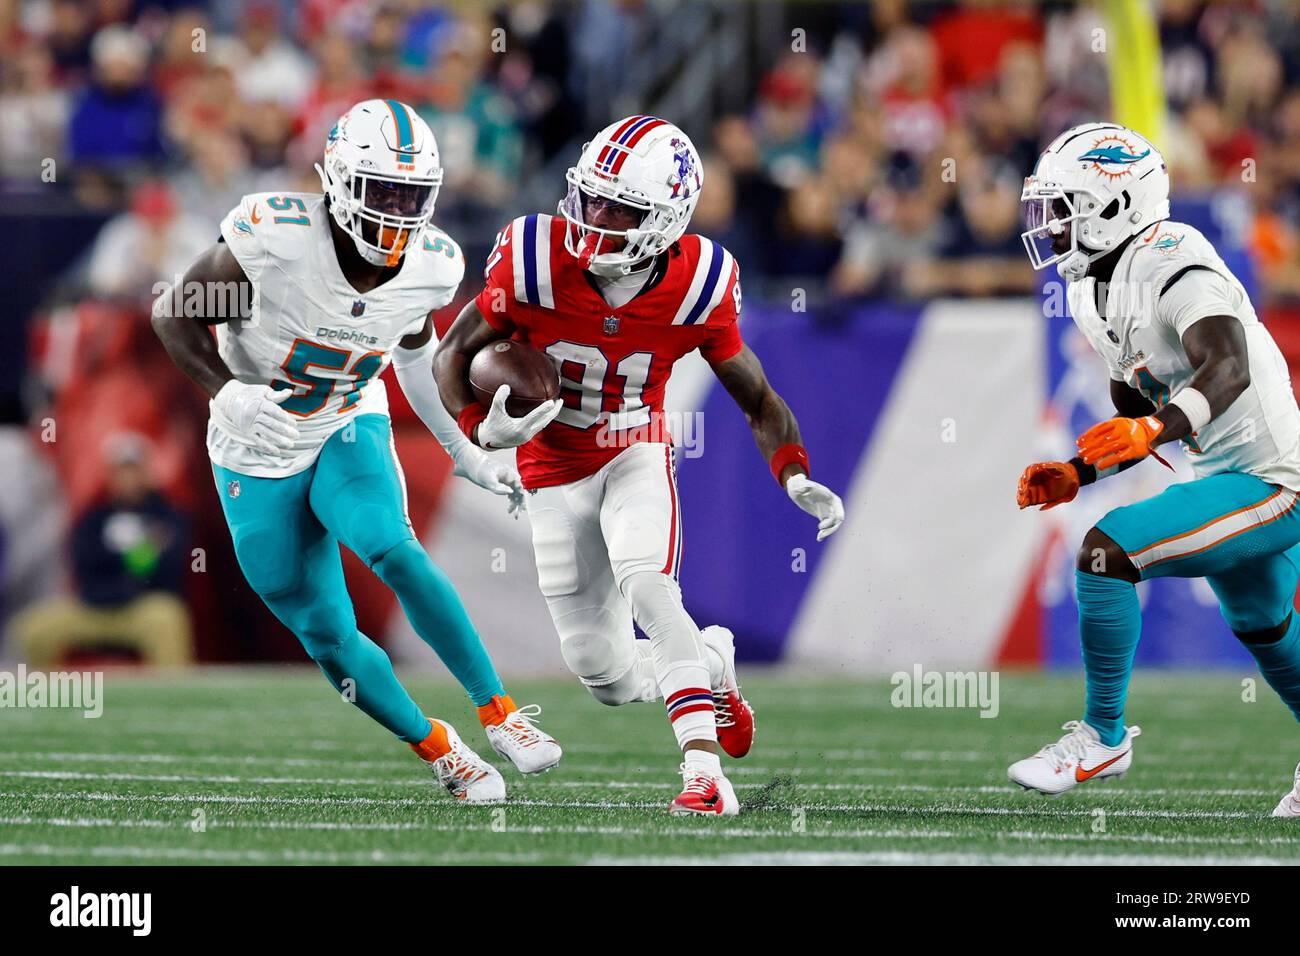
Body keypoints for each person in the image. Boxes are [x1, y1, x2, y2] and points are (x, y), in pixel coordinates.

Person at [151, 99, 560, 804]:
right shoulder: (272, 238)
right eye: (385, 192)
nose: (399, 213)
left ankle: (500, 713)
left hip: (346, 416)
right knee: (328, 637)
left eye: (413, 196)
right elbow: (172, 313)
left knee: (391, 547)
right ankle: (438, 747)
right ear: (338, 182)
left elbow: (412, 357)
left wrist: (462, 449)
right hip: (257, 443)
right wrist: (227, 393)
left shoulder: (431, 263)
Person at [434, 116, 845, 816]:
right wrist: (481, 428)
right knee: (603, 673)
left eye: (618, 209)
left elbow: (758, 397)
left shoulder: (700, 281)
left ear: (666, 219)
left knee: (649, 586)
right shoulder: (533, 255)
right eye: (590, 199)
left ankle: (702, 773)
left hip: (632, 450)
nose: (594, 220)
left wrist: (794, 472)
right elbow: (451, 355)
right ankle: (710, 662)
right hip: (546, 469)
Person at [1013, 122, 1300, 817]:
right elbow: (1137, 412)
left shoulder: (1171, 253)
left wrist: (1150, 427)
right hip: (1220, 476)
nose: (1050, 225)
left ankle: (1104, 737)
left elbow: (1224, 365)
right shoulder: (1091, 291)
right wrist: (1080, 472)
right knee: (1265, 626)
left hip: (1273, 478)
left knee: (1107, 552)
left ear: (1116, 205)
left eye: (1065, 207)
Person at [15, 432, 192, 667]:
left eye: (134, 469)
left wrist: (123, 564)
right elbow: (84, 563)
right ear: (111, 475)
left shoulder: (168, 516)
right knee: (34, 628)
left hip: (141, 608)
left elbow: (168, 568)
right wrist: (140, 554)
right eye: (121, 471)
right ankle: (48, 700)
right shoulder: (94, 519)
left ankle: (173, 699)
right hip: (94, 608)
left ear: (147, 472)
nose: (128, 478)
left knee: (167, 619)